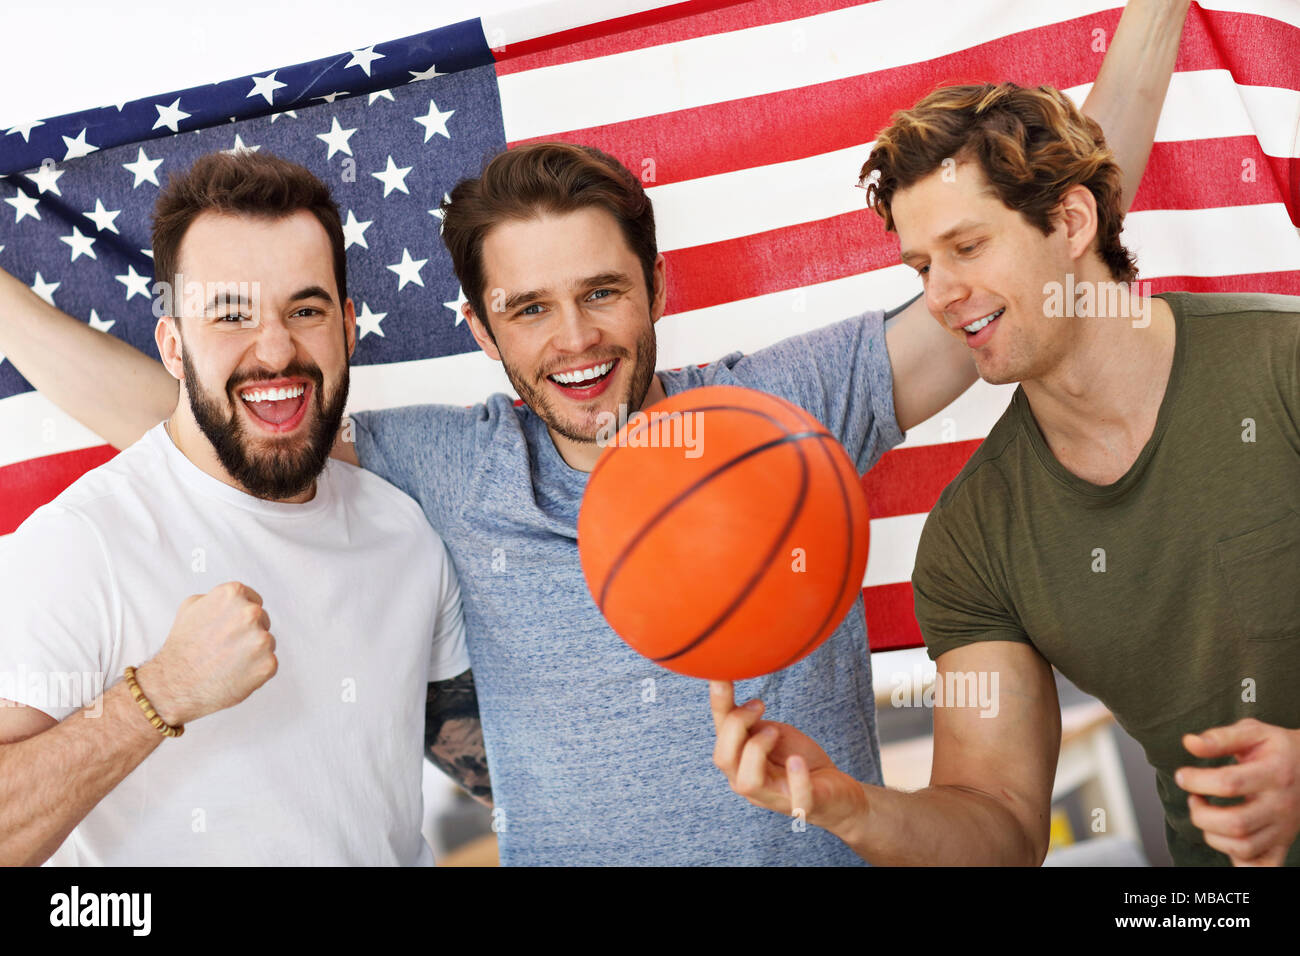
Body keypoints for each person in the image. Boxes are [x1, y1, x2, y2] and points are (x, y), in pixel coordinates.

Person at [0, 0, 1190, 863]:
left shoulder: (778, 411)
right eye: (528, 307)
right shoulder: (447, 464)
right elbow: (197, 416)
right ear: (481, 329)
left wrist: (1154, 19)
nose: (575, 339)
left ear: (655, 287)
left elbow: (1042, 255)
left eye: (602, 291)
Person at [710, 79, 1300, 866]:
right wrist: (852, 808)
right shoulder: (971, 538)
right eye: (922, 266)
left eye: (968, 247)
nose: (942, 297)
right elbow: (997, 823)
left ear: (1071, 220)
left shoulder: (1283, 367)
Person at [0, 151, 487, 866]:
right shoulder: (81, 544)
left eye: (306, 309)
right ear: (173, 345)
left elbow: (484, 763)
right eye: (230, 314)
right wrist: (156, 694)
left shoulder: (403, 529)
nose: (275, 348)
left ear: (347, 328)